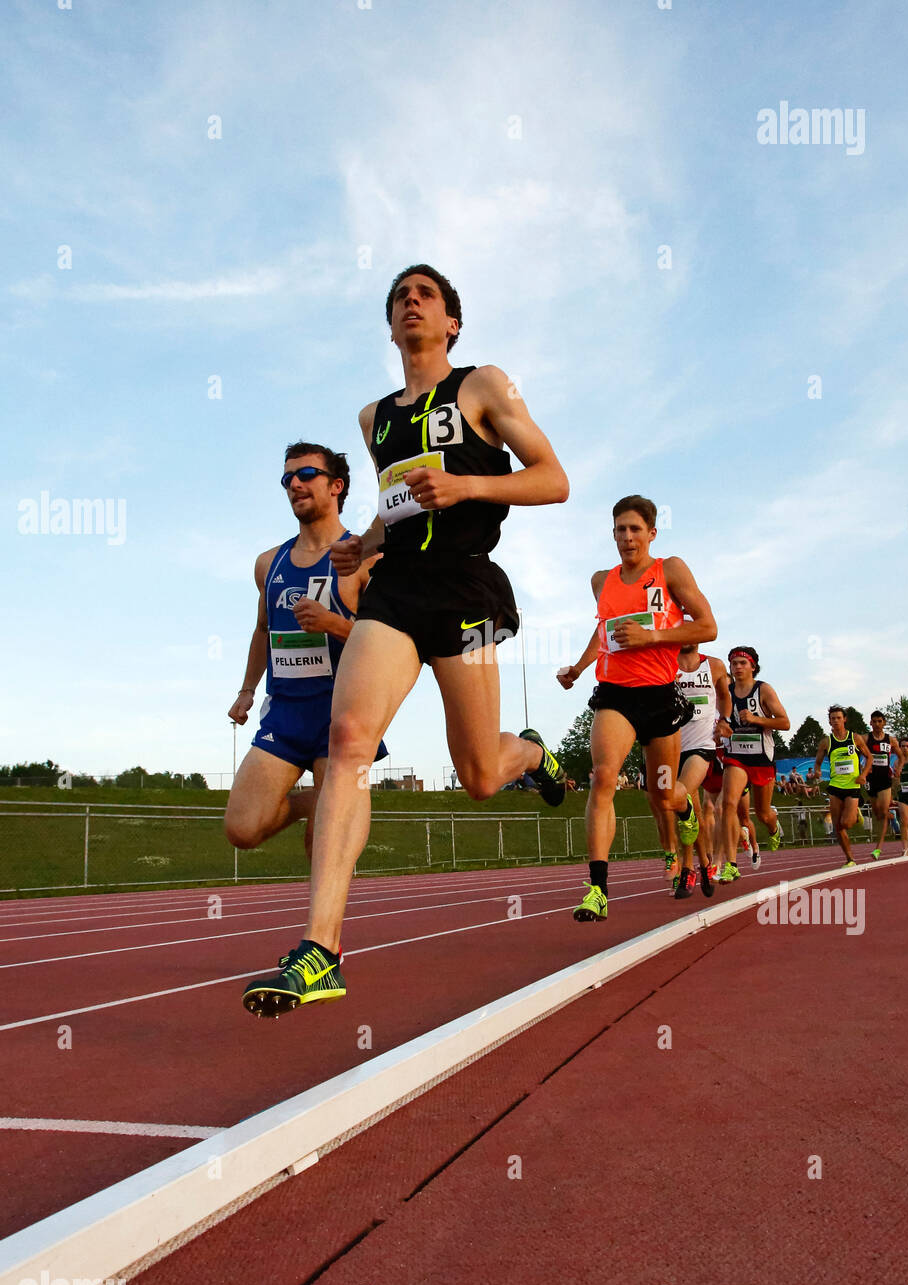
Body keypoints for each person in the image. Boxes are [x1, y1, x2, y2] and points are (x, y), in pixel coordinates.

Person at [243, 265, 569, 1017]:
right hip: (396, 593)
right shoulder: (375, 417)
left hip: (466, 589)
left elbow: (553, 479)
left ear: (451, 322)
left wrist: (470, 488)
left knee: (481, 774)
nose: (412, 304)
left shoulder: (485, 386)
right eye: (400, 298)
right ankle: (321, 951)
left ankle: (532, 752)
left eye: (426, 296)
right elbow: (396, 505)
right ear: (390, 328)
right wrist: (363, 542)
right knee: (349, 735)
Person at [557, 496, 717, 921]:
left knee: (663, 795)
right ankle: (597, 888)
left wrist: (653, 639)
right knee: (603, 777)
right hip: (615, 693)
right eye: (619, 530)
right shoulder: (601, 580)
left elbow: (707, 626)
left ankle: (685, 810)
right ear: (612, 534)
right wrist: (578, 667)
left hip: (660, 696)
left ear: (651, 533)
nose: (627, 537)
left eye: (634, 529)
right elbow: (604, 632)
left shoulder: (671, 570)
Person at [224, 443, 386, 858]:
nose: (294, 484)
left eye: (306, 474)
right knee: (242, 827)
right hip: (286, 712)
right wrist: (246, 690)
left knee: (323, 848)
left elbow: (388, 648)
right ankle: (327, 802)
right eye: (287, 478)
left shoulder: (365, 558)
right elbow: (262, 629)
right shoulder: (268, 563)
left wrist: (333, 624)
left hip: (342, 714)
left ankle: (326, 922)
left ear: (336, 486)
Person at [714, 647, 790, 883]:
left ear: (753, 666)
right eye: (733, 663)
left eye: (742, 663)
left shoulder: (763, 690)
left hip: (761, 758)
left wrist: (756, 718)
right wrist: (720, 731)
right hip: (736, 756)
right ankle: (731, 864)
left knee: (763, 813)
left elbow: (785, 722)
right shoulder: (726, 693)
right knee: (728, 804)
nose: (737, 667)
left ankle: (774, 827)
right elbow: (720, 721)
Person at [670, 644, 729, 898]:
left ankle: (687, 867)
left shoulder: (714, 665)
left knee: (683, 797)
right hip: (670, 746)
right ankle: (704, 864)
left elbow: (725, 696)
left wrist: (724, 721)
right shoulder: (666, 663)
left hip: (702, 747)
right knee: (683, 807)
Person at [812, 705, 872, 867]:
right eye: (832, 718)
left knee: (847, 823)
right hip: (835, 786)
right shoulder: (826, 742)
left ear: (844, 719)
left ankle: (856, 813)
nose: (835, 721)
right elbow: (817, 763)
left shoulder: (855, 738)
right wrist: (817, 772)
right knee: (838, 826)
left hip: (852, 785)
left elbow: (869, 758)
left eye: (838, 718)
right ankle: (850, 859)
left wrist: (863, 774)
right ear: (829, 721)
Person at [865, 710, 903, 860]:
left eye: (880, 721)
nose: (877, 724)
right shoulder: (866, 738)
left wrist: (898, 768)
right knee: (878, 814)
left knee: (883, 809)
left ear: (884, 723)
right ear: (870, 723)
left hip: (885, 780)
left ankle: (878, 849)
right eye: (874, 721)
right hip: (871, 779)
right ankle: (891, 813)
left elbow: (901, 756)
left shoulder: (891, 740)